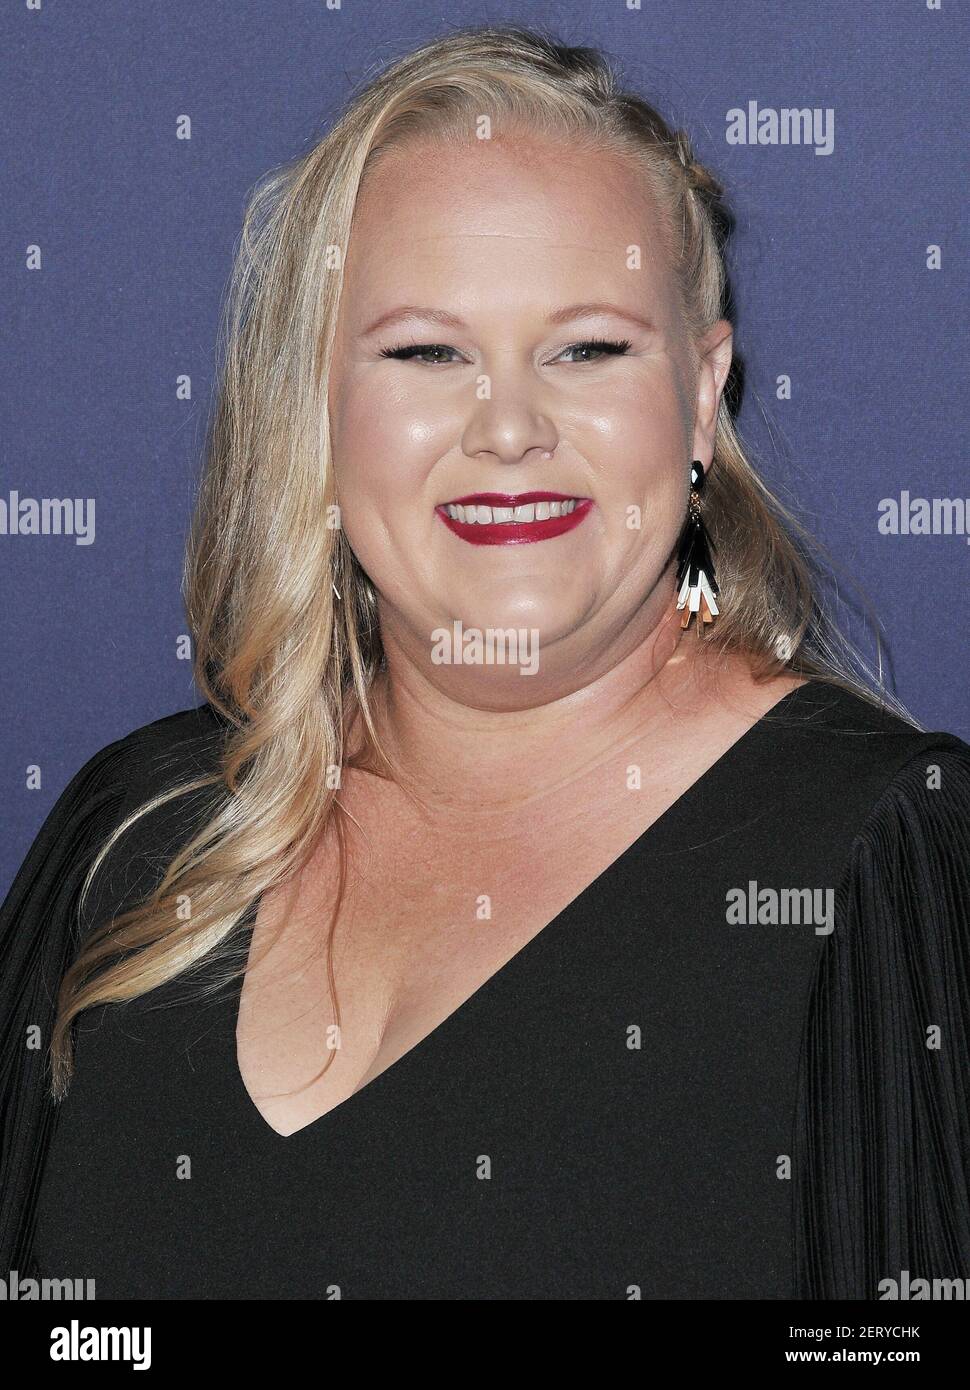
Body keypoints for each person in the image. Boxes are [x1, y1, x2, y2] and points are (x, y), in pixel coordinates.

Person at [2, 24, 969, 1301]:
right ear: (319, 408)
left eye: (587, 348)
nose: (508, 426)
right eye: (425, 352)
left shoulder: (882, 866)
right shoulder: (133, 838)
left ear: (699, 396)